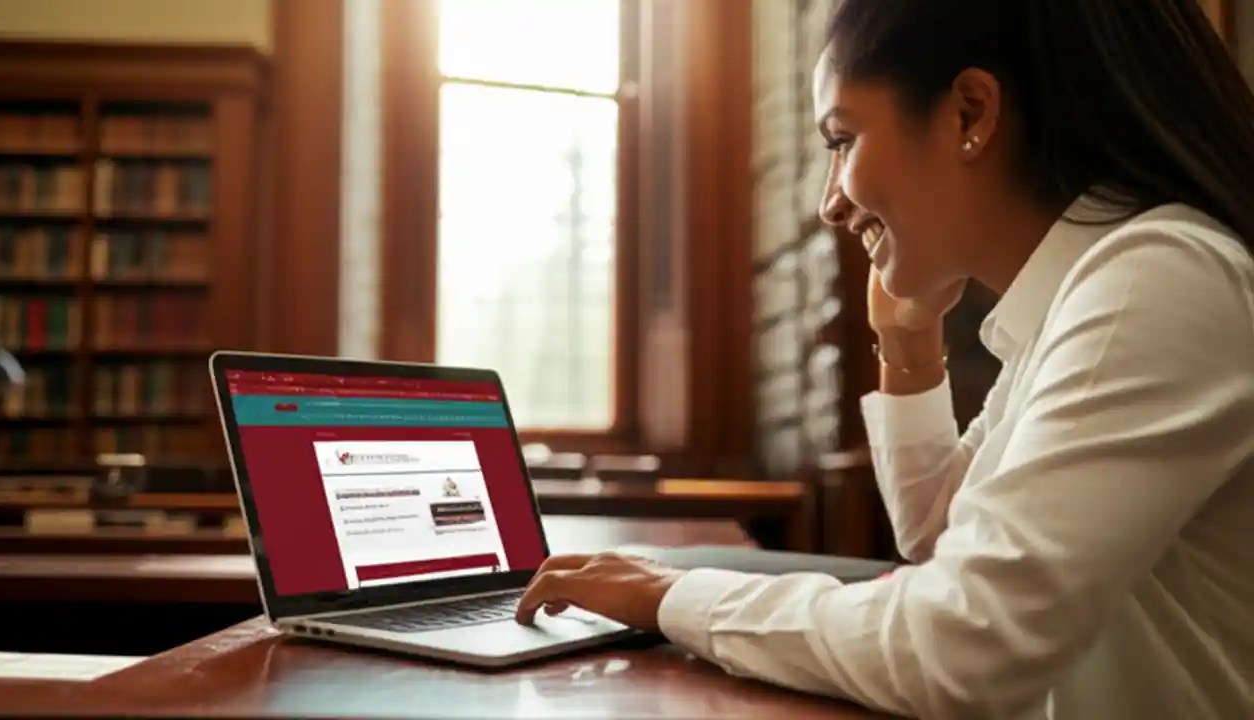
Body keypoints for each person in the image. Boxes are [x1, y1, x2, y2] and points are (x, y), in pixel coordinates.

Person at [514, 1, 1254, 718]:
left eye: (842, 140)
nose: (830, 203)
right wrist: (907, 344)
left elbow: (962, 643)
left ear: (969, 114)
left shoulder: (1153, 280)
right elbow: (944, 539)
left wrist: (673, 596)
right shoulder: (1080, 302)